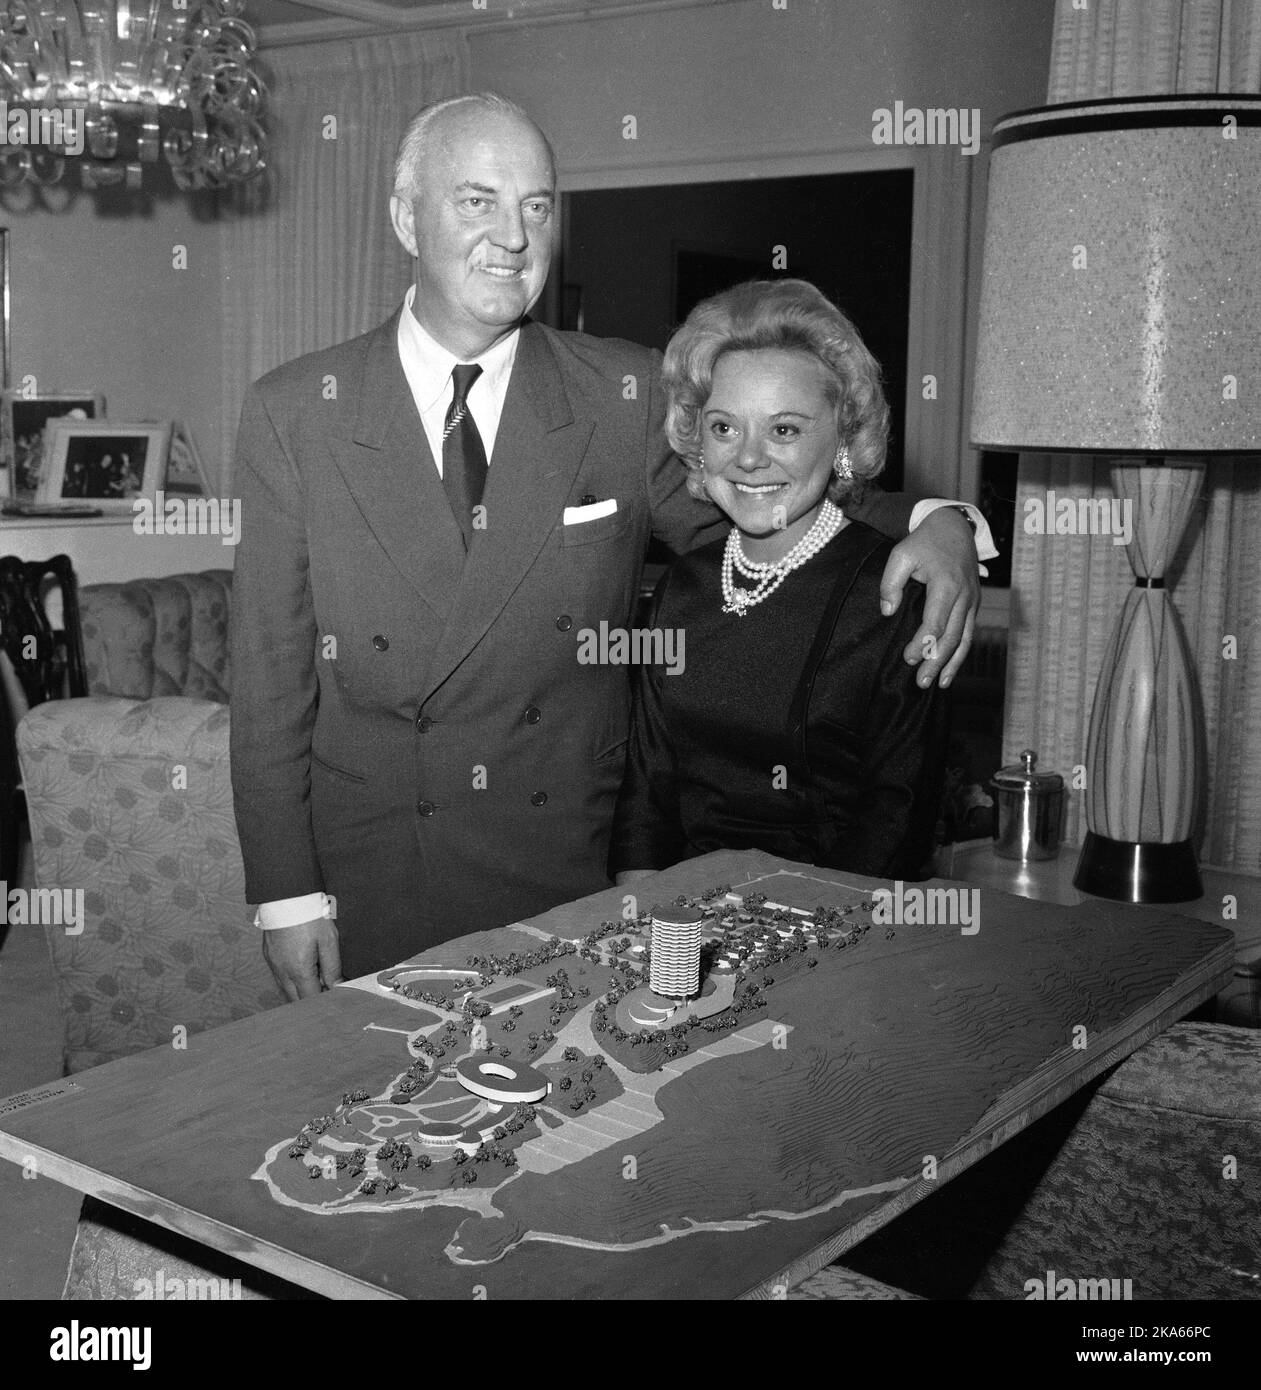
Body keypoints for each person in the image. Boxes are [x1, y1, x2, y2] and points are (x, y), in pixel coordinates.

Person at [229, 92, 993, 998]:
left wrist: (939, 523)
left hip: (567, 869)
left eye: (537, 206)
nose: (512, 237)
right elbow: (269, 678)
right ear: (405, 218)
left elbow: (773, 506)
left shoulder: (620, 395)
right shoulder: (295, 411)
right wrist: (284, 895)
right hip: (373, 867)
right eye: (477, 201)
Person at [612, 279, 949, 883]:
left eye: (784, 430)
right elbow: (647, 795)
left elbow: (898, 820)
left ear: (844, 437)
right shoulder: (683, 587)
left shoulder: (897, 594)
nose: (747, 458)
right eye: (723, 428)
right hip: (676, 928)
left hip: (838, 930)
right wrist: (643, 937)